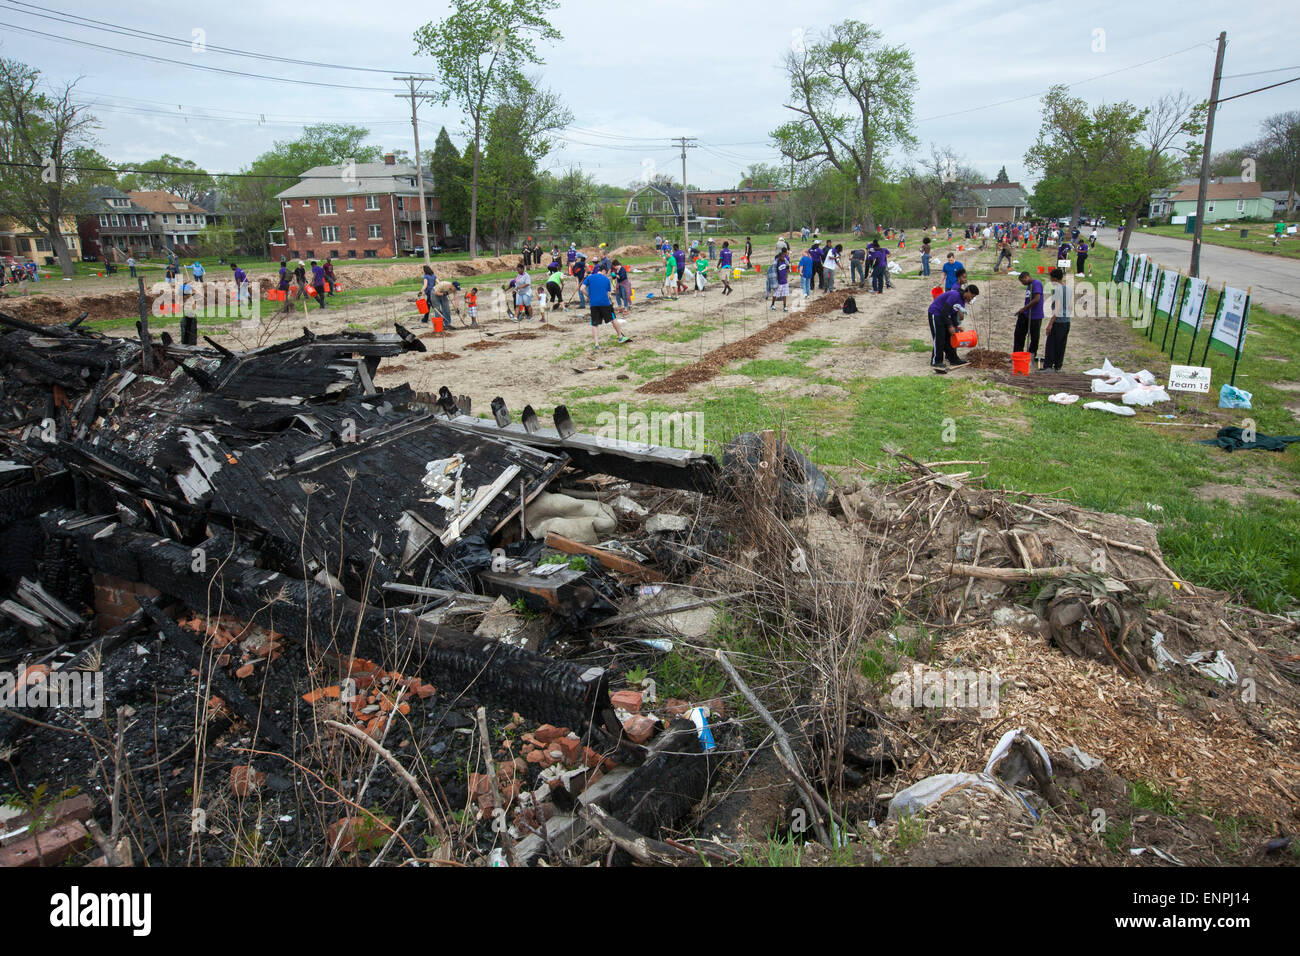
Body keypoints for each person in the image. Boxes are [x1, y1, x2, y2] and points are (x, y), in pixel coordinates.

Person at [928, 284, 979, 371]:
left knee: (950, 338)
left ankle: (953, 359)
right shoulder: (955, 295)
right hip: (936, 313)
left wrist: (956, 326)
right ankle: (936, 360)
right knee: (940, 337)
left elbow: (953, 313)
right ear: (968, 292)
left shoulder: (962, 301)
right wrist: (950, 325)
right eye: (971, 296)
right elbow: (944, 311)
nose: (971, 299)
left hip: (944, 315)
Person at [584, 263, 630, 349]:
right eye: (607, 272)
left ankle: (596, 344)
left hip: (593, 304)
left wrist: (589, 296)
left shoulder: (590, 277)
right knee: (613, 319)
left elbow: (582, 289)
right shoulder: (606, 279)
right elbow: (608, 294)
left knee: (594, 324)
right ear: (604, 271)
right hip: (605, 303)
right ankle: (620, 337)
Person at [1042, 267, 1071, 372]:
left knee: (1051, 344)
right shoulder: (1068, 289)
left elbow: (1057, 308)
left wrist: (1050, 324)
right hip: (1067, 320)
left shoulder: (1057, 289)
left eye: (1050, 278)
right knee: (1061, 344)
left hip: (1058, 321)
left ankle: (1048, 366)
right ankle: (1058, 366)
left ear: (1054, 279)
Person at [1015, 271, 1046, 366]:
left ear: (1026, 277)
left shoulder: (1036, 283)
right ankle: (1017, 356)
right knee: (1019, 335)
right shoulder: (1029, 286)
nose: (1022, 283)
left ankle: (1031, 357)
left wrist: (1024, 308)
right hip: (1026, 315)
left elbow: (1037, 299)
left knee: (1034, 337)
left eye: (1022, 281)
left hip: (1035, 316)